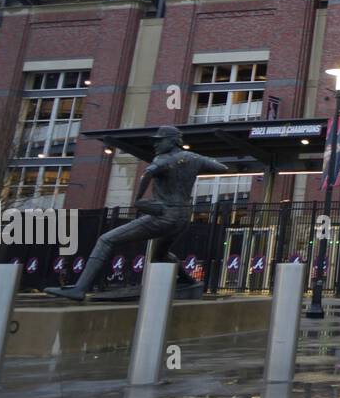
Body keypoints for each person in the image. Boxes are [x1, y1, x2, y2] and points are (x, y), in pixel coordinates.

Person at [44, 125, 228, 301]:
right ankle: (190, 282)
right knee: (161, 255)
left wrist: (138, 200)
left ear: (172, 141)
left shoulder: (163, 159)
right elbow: (222, 168)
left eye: (160, 141)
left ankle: (80, 288)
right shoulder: (192, 157)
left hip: (164, 214)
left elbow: (148, 173)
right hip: (182, 217)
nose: (155, 144)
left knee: (106, 239)